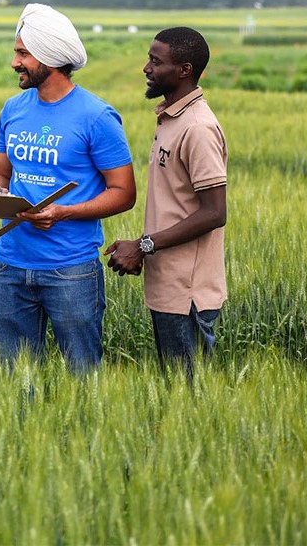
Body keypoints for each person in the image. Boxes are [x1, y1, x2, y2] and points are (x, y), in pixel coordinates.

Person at [0, 4, 136, 373]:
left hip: (70, 270)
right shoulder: (12, 109)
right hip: (10, 266)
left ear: (50, 58)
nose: (14, 62)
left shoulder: (97, 117)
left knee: (82, 379)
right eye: (16, 52)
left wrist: (63, 212)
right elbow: (0, 174)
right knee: (15, 383)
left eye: (23, 53)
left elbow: (124, 192)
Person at [105, 27, 227, 376]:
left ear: (184, 70)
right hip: (167, 289)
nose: (146, 68)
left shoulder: (198, 128)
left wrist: (143, 246)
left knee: (188, 400)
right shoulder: (171, 119)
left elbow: (214, 213)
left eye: (156, 62)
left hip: (188, 294)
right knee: (176, 393)